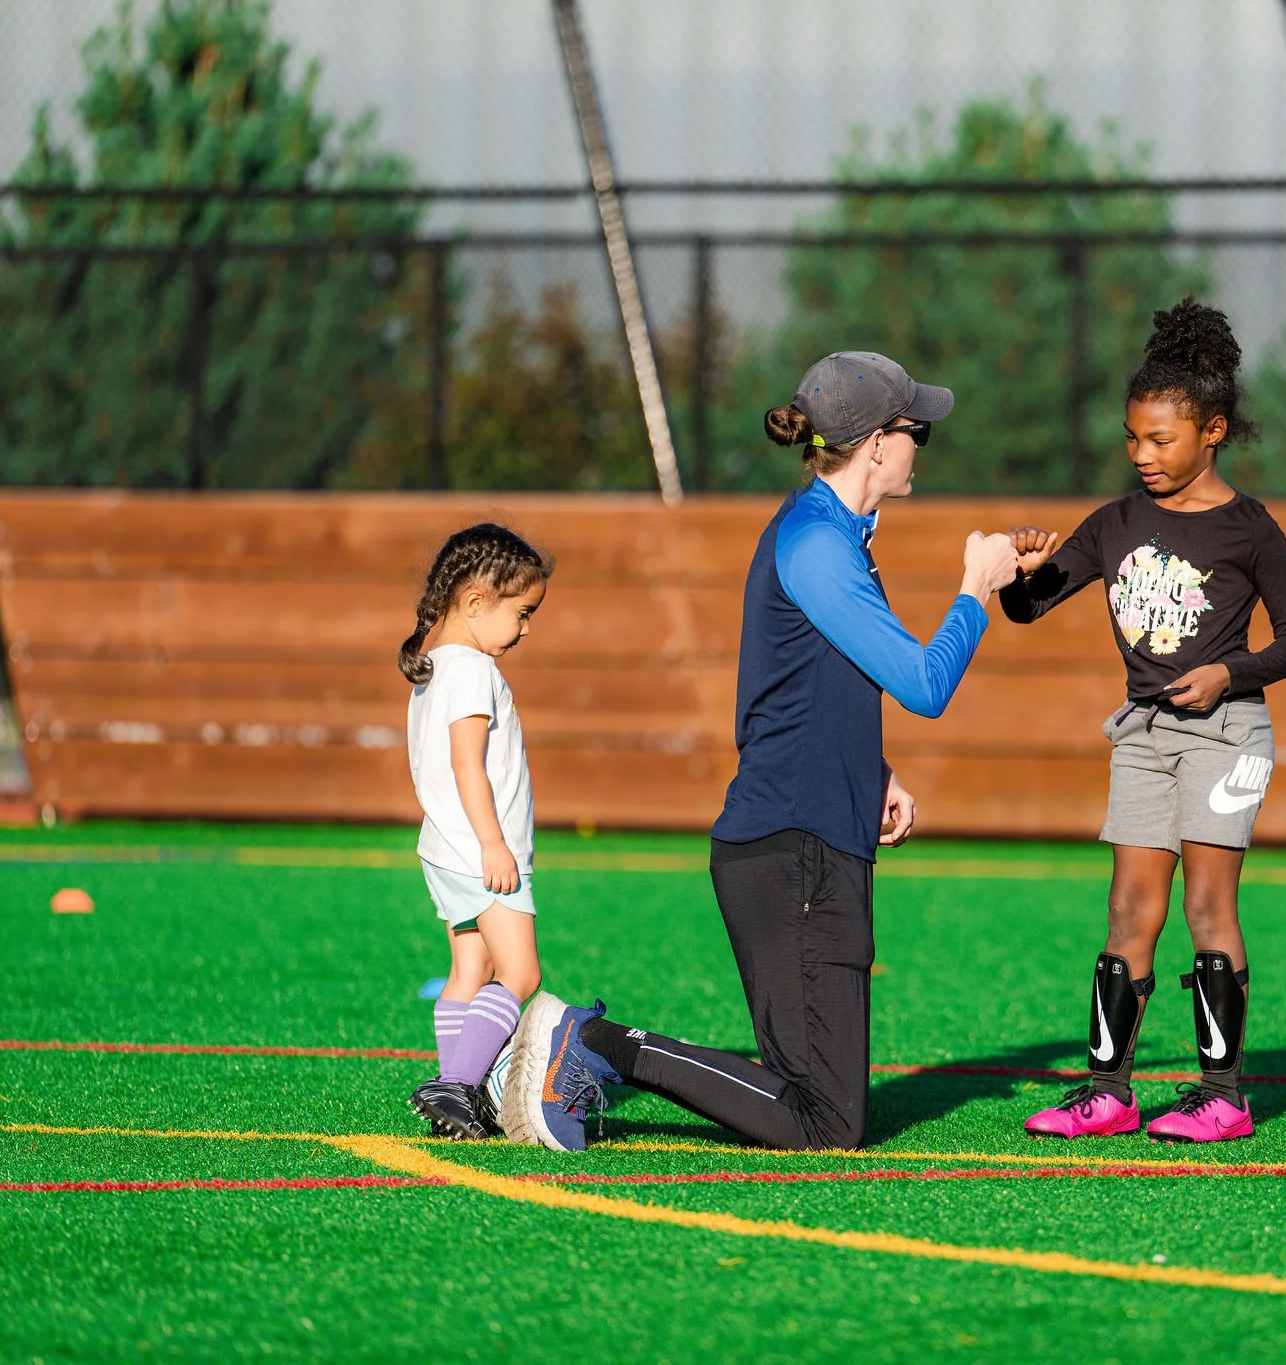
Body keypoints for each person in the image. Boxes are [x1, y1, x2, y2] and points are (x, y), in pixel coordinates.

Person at [499, 351, 1018, 1152]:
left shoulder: (830, 534)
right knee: (826, 1119)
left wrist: (873, 772)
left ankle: (592, 1045)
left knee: (820, 1108)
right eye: (917, 430)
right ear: (876, 444)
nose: (923, 444)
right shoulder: (816, 543)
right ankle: (593, 1044)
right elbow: (923, 683)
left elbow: (803, 686)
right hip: (794, 852)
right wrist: (975, 589)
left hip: (801, 845)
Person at [1001, 299, 1286, 1144]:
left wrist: (1228, 672)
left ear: (1213, 430)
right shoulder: (1115, 522)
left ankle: (1223, 1096)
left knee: (1209, 908)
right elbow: (1028, 608)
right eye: (1133, 439)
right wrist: (1020, 571)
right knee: (1129, 910)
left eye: (1160, 440)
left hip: (1228, 735)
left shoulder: (1251, 529)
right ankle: (1108, 1092)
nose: (1142, 455)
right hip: (1140, 737)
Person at [398, 523, 553, 1140]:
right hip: (480, 851)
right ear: (476, 603)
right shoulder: (472, 672)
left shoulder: (436, 667)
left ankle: (451, 1100)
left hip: (444, 849)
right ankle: (457, 1085)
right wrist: (494, 843)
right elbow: (467, 763)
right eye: (522, 613)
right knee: (521, 976)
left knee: (470, 970)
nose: (524, 629)